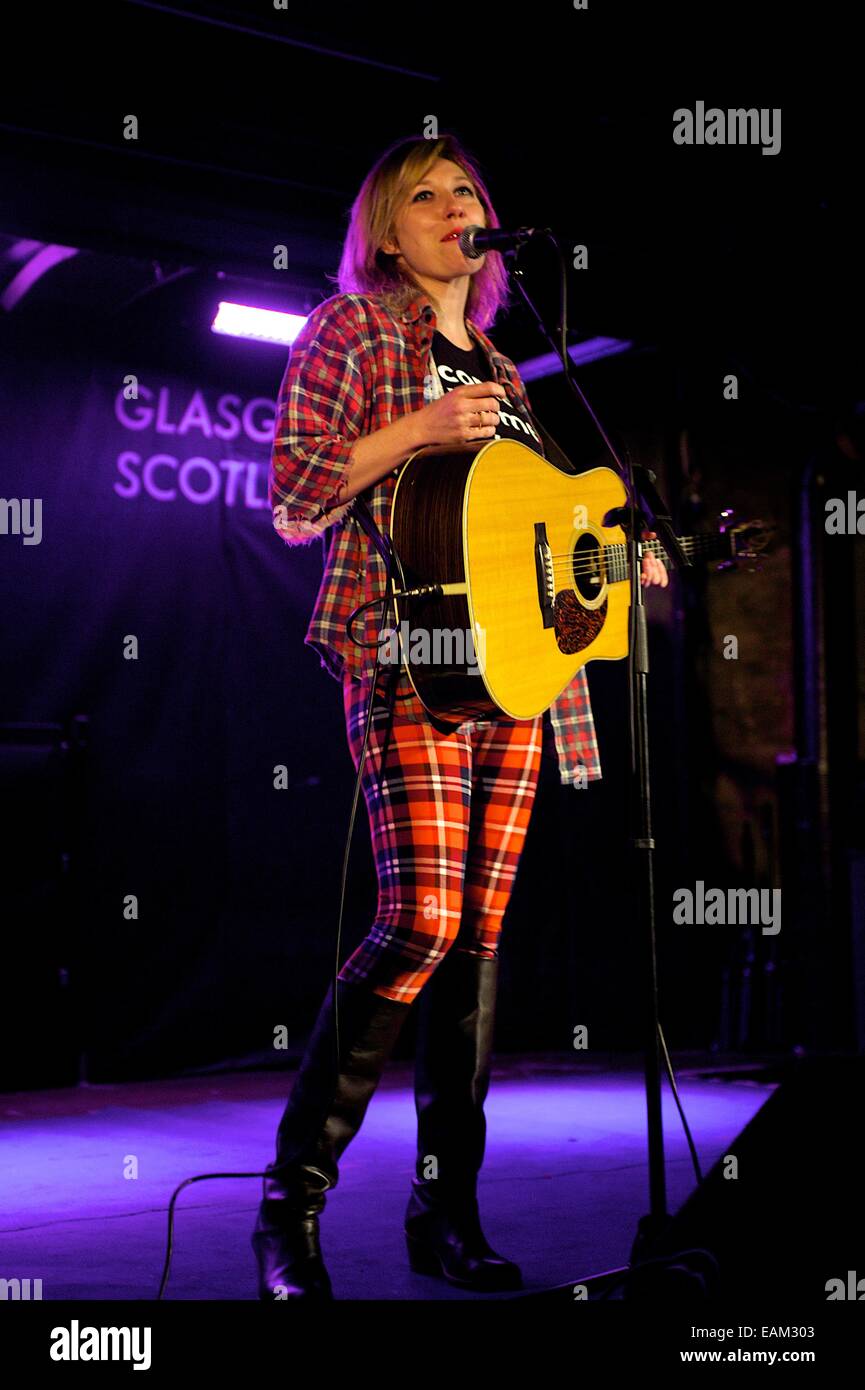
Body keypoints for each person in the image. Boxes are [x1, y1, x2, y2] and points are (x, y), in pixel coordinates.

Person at [252, 133, 668, 1301]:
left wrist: (611, 563)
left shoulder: (509, 369)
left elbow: (529, 544)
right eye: (420, 195)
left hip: (511, 680)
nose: (449, 206)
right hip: (408, 655)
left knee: (477, 942)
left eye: (464, 192)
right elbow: (291, 491)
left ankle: (447, 1213)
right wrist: (418, 433)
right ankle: (289, 1205)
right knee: (422, 920)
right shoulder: (350, 331)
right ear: (386, 231)